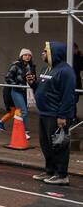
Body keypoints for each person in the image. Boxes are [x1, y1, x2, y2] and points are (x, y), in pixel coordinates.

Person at [33, 40, 76, 186]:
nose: (43, 53)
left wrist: (62, 116)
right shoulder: (46, 69)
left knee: (59, 145)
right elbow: (41, 89)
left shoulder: (66, 71)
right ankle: (50, 171)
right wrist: (33, 84)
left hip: (56, 115)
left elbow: (68, 95)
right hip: (44, 113)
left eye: (46, 51)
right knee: (46, 145)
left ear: (54, 53)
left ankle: (62, 175)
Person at [0, 48, 35, 140]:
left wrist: (33, 81)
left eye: (29, 55)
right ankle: (23, 131)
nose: (27, 57)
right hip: (16, 90)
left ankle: (19, 129)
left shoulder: (31, 66)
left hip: (26, 91)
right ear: (21, 56)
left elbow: (33, 78)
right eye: (25, 55)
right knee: (23, 111)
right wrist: (16, 85)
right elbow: (8, 77)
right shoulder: (16, 65)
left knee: (19, 112)